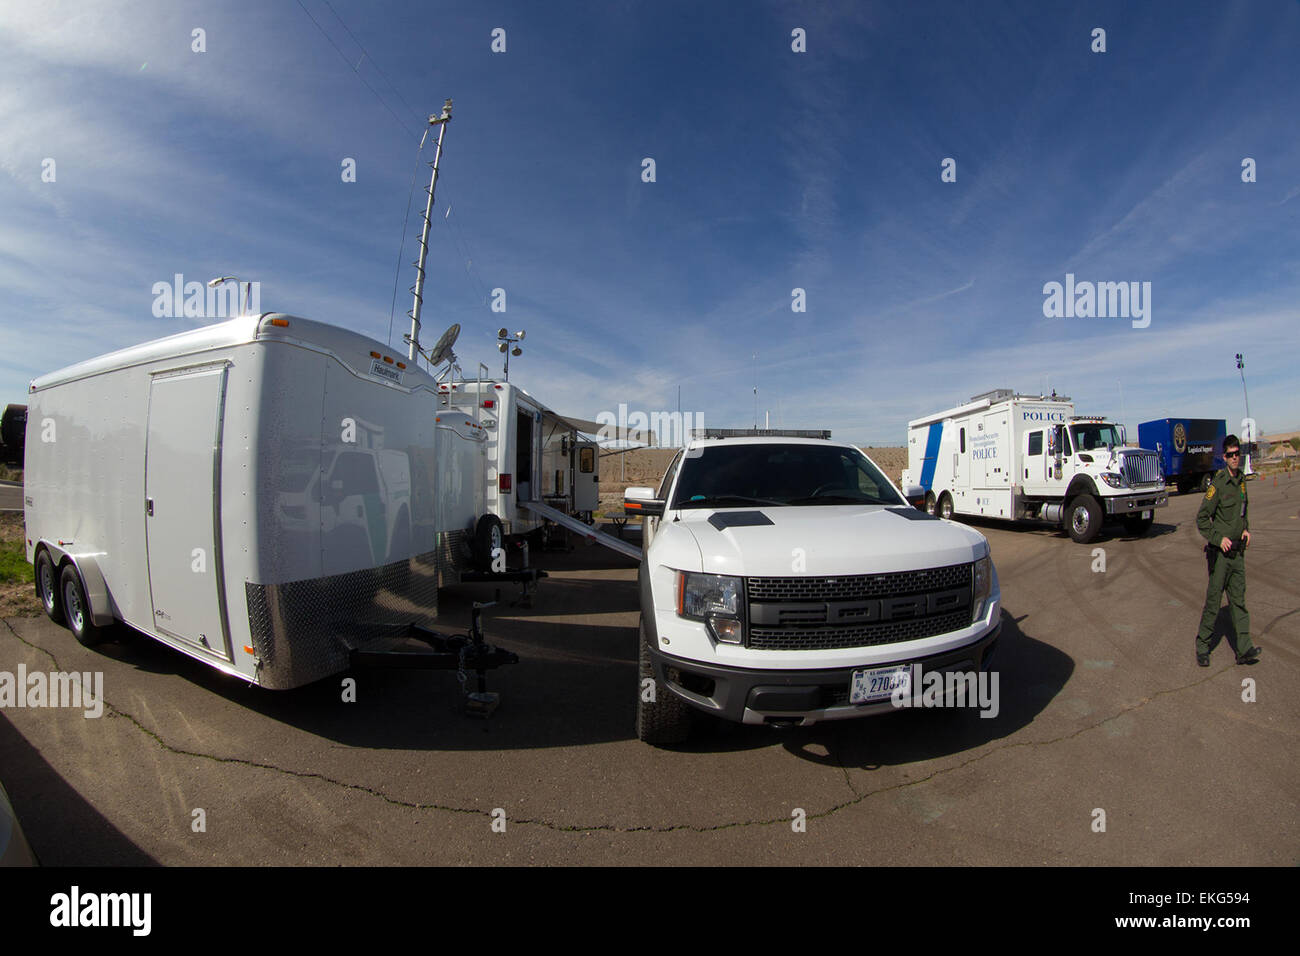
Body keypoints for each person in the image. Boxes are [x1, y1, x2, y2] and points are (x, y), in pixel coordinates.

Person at [1195, 435, 1261, 666]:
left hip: (1238, 553)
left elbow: (1243, 510)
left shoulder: (1241, 480)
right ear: (1224, 457)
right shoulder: (1218, 484)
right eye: (1230, 455)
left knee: (1239, 602)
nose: (1235, 458)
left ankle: (1244, 649)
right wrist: (1217, 538)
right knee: (1213, 603)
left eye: (1237, 454)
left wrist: (1246, 529)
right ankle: (1202, 647)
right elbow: (1202, 518)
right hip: (1221, 555)